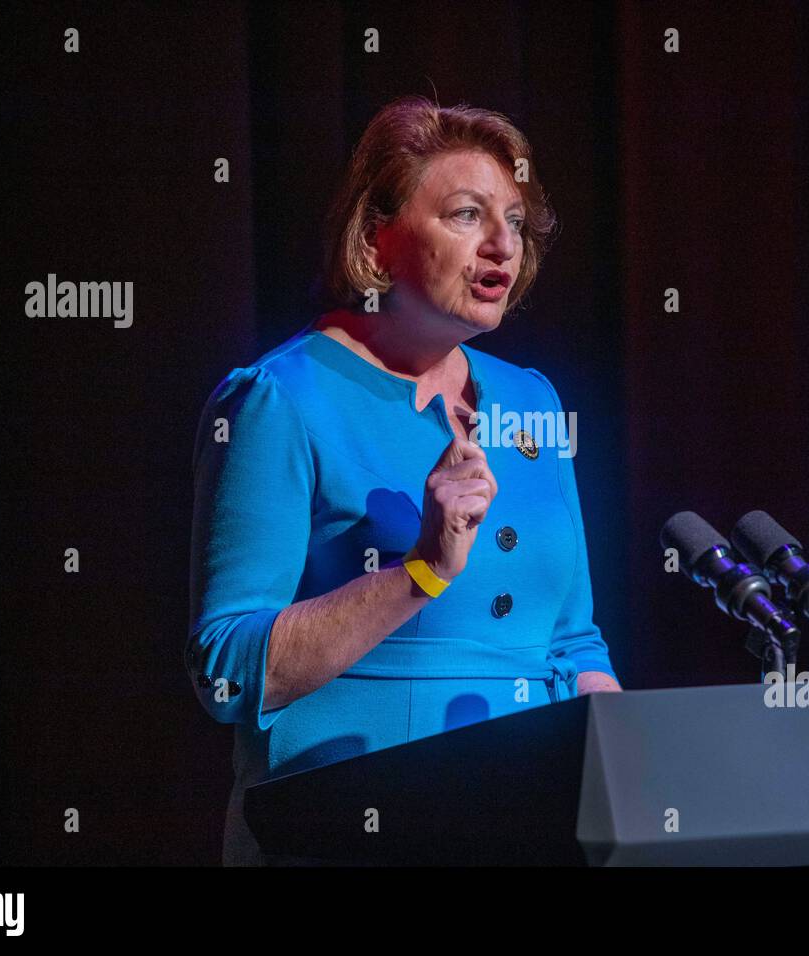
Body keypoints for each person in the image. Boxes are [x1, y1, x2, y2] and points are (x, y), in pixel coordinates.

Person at [187, 95, 621, 865]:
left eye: (515, 222)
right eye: (465, 215)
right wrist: (420, 570)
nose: (501, 245)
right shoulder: (281, 399)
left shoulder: (533, 400)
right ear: (376, 240)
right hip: (352, 831)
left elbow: (571, 634)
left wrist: (630, 765)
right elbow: (225, 671)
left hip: (535, 824)